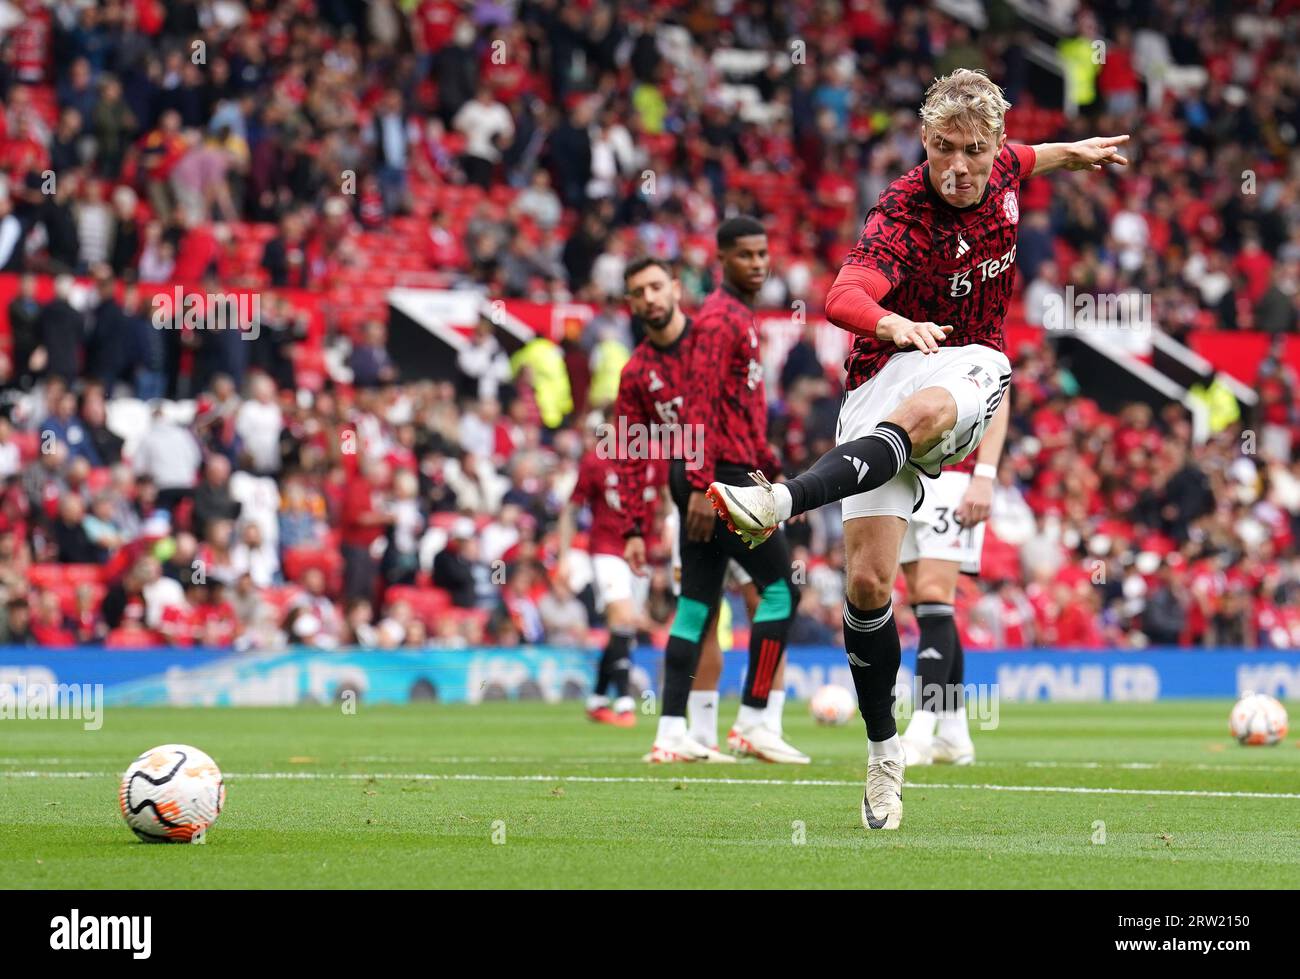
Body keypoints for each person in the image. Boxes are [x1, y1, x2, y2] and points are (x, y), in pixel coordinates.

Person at [707, 69, 1128, 829]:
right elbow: (841, 296)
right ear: (924, 142)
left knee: (933, 407)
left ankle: (781, 500)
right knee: (868, 584)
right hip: (883, 366)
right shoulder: (904, 205)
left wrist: (1079, 151)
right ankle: (884, 752)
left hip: (970, 360)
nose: (956, 167)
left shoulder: (1003, 166)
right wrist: (890, 324)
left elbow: (1034, 158)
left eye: (970, 150)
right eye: (940, 149)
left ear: (991, 144)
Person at [897, 400, 1008, 767]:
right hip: (902, 473)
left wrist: (985, 476)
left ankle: (920, 730)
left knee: (932, 595)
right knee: (925, 604)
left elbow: (1000, 395)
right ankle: (954, 733)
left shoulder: (973, 341)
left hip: (954, 475)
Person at [557, 420, 649, 727]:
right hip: (607, 550)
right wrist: (565, 555)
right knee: (622, 617)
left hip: (640, 552)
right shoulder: (595, 462)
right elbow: (571, 509)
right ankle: (624, 703)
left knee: (624, 630)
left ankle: (597, 699)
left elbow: (663, 498)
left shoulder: (649, 457)